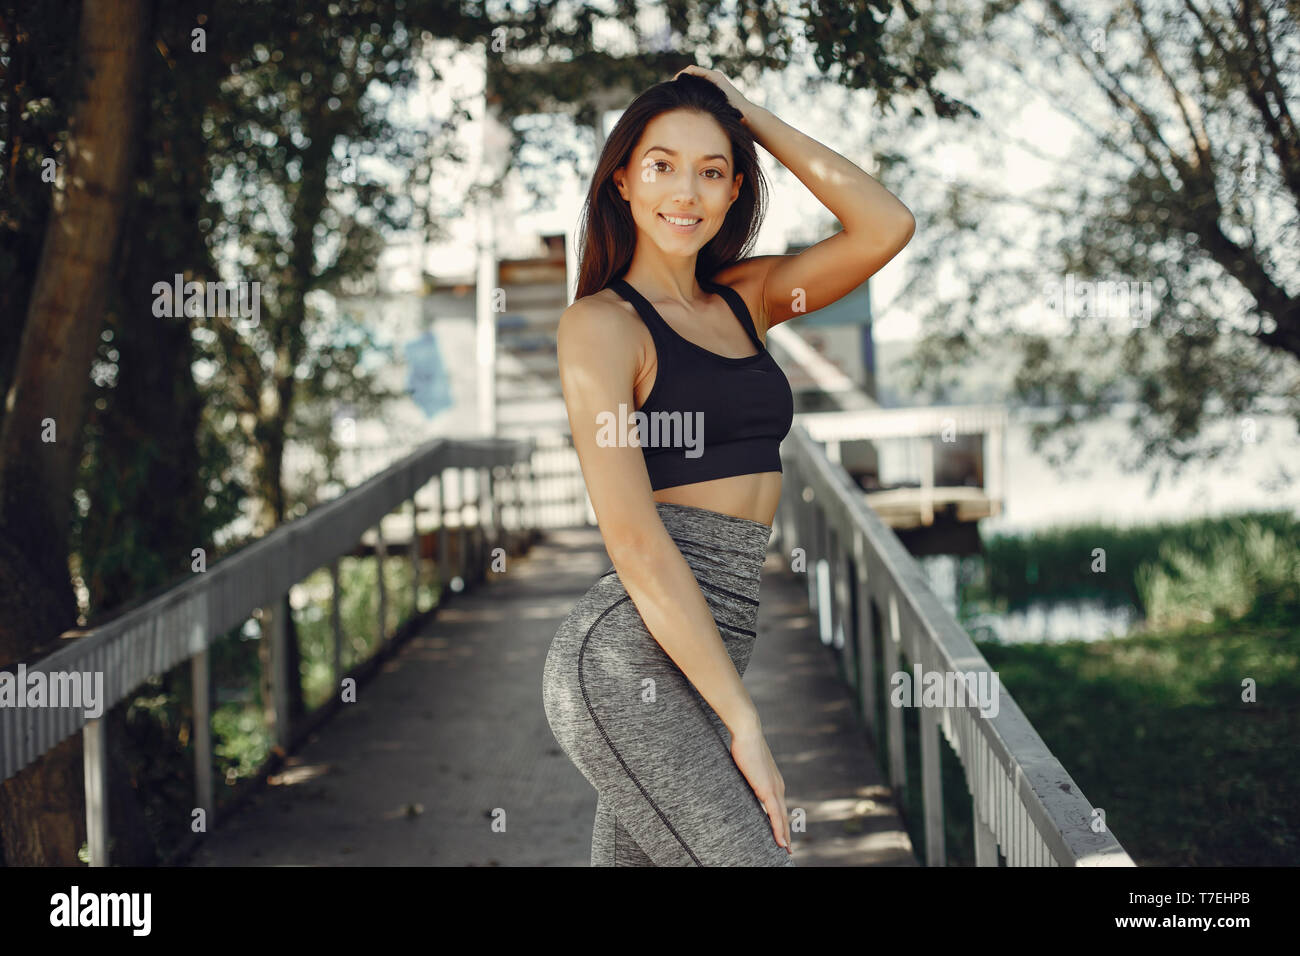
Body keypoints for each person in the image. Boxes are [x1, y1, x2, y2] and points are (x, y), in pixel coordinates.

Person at [541, 66, 915, 866]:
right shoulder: (600, 326)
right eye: (662, 164)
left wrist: (747, 114)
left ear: (736, 187)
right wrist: (743, 718)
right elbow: (636, 541)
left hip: (709, 646)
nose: (688, 191)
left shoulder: (748, 299)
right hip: (627, 659)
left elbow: (884, 225)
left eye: (712, 171)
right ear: (622, 179)